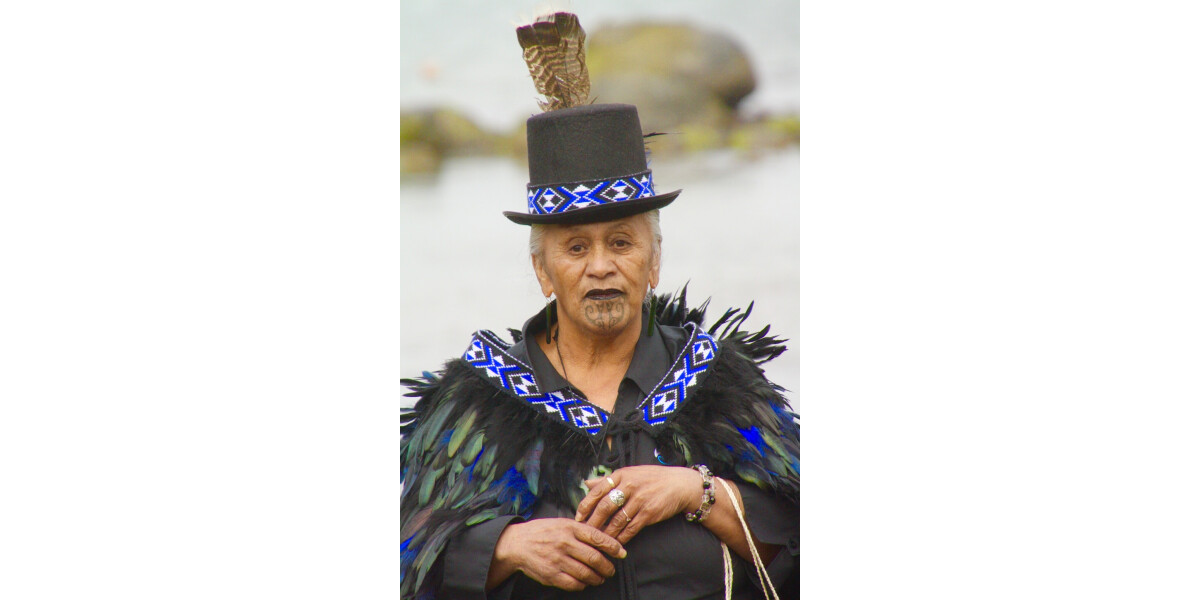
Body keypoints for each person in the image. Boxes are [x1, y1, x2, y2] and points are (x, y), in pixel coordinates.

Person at [399, 13, 798, 600]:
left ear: (654, 261)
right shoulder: (476, 405)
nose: (601, 266)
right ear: (543, 271)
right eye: (576, 247)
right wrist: (505, 548)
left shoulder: (719, 382)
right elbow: (404, 551)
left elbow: (800, 532)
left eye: (621, 242)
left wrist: (696, 491)